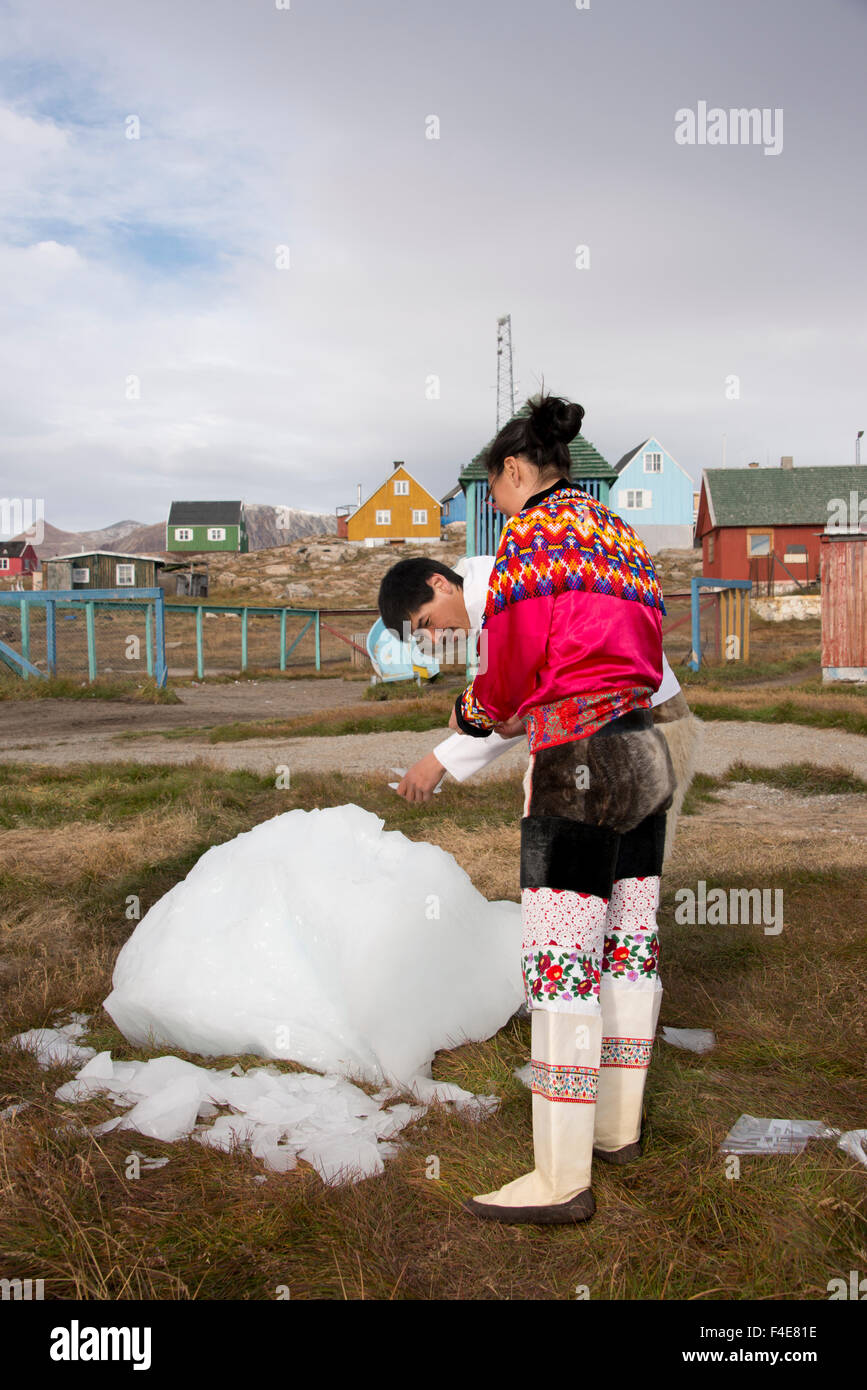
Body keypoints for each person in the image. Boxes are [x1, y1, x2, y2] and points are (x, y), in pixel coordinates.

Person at [382, 389, 678, 1225]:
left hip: (577, 760)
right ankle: (617, 1129)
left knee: (559, 967)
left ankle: (558, 1177)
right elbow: (649, 654)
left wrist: (470, 717)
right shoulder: (622, 535)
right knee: (628, 946)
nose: (496, 507)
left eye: (495, 491)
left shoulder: (526, 544)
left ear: (516, 472)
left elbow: (508, 679)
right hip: (643, 751)